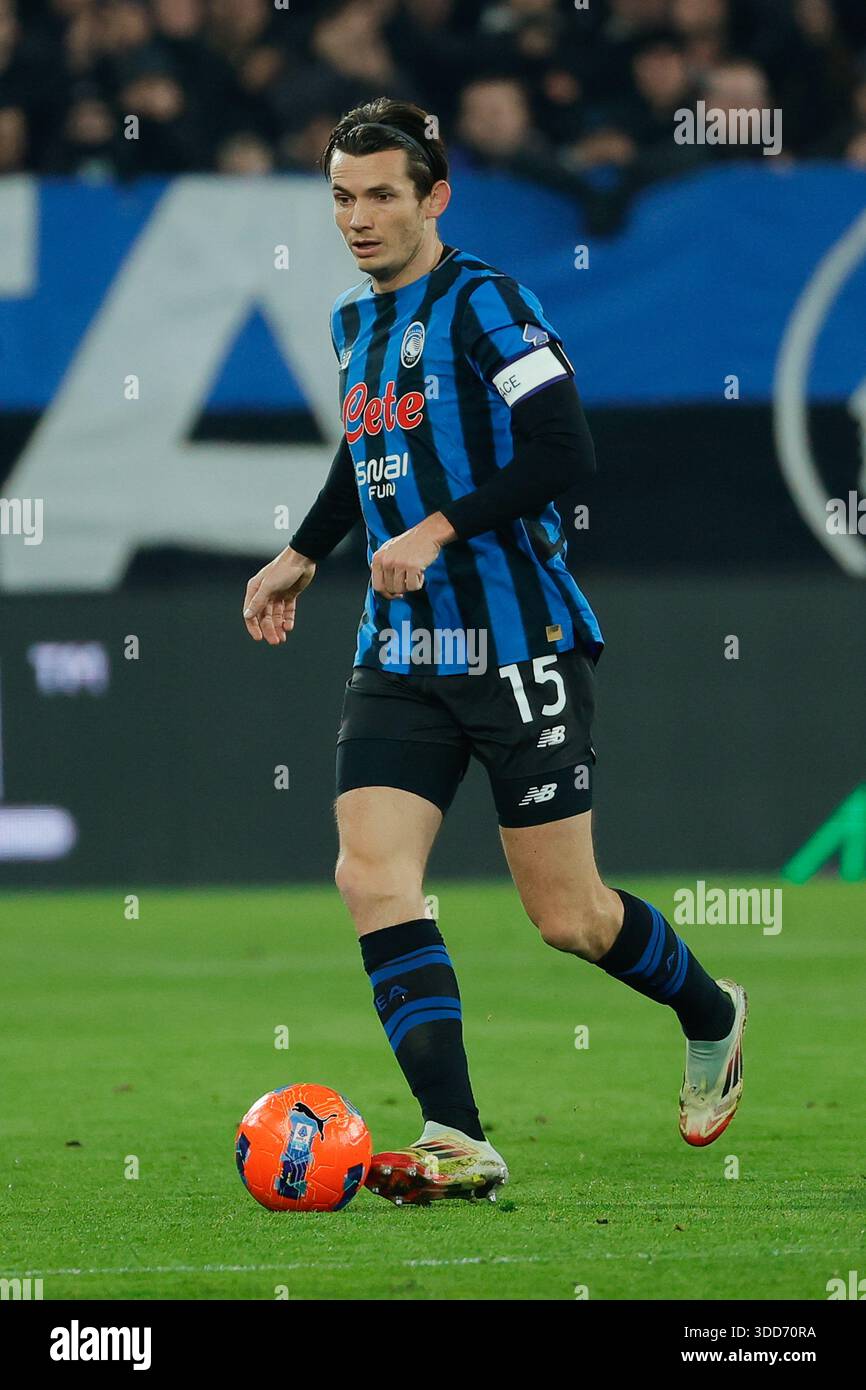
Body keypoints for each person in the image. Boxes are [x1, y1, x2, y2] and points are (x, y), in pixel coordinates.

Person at [242, 97, 748, 1205]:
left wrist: (437, 527)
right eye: (341, 196)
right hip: (402, 652)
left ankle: (710, 1012)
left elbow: (563, 446)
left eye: (382, 195)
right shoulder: (350, 325)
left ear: (434, 198)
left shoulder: (485, 303)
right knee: (370, 873)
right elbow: (363, 450)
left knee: (568, 917)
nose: (359, 217)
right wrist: (300, 552)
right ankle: (455, 1132)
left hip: (518, 642)